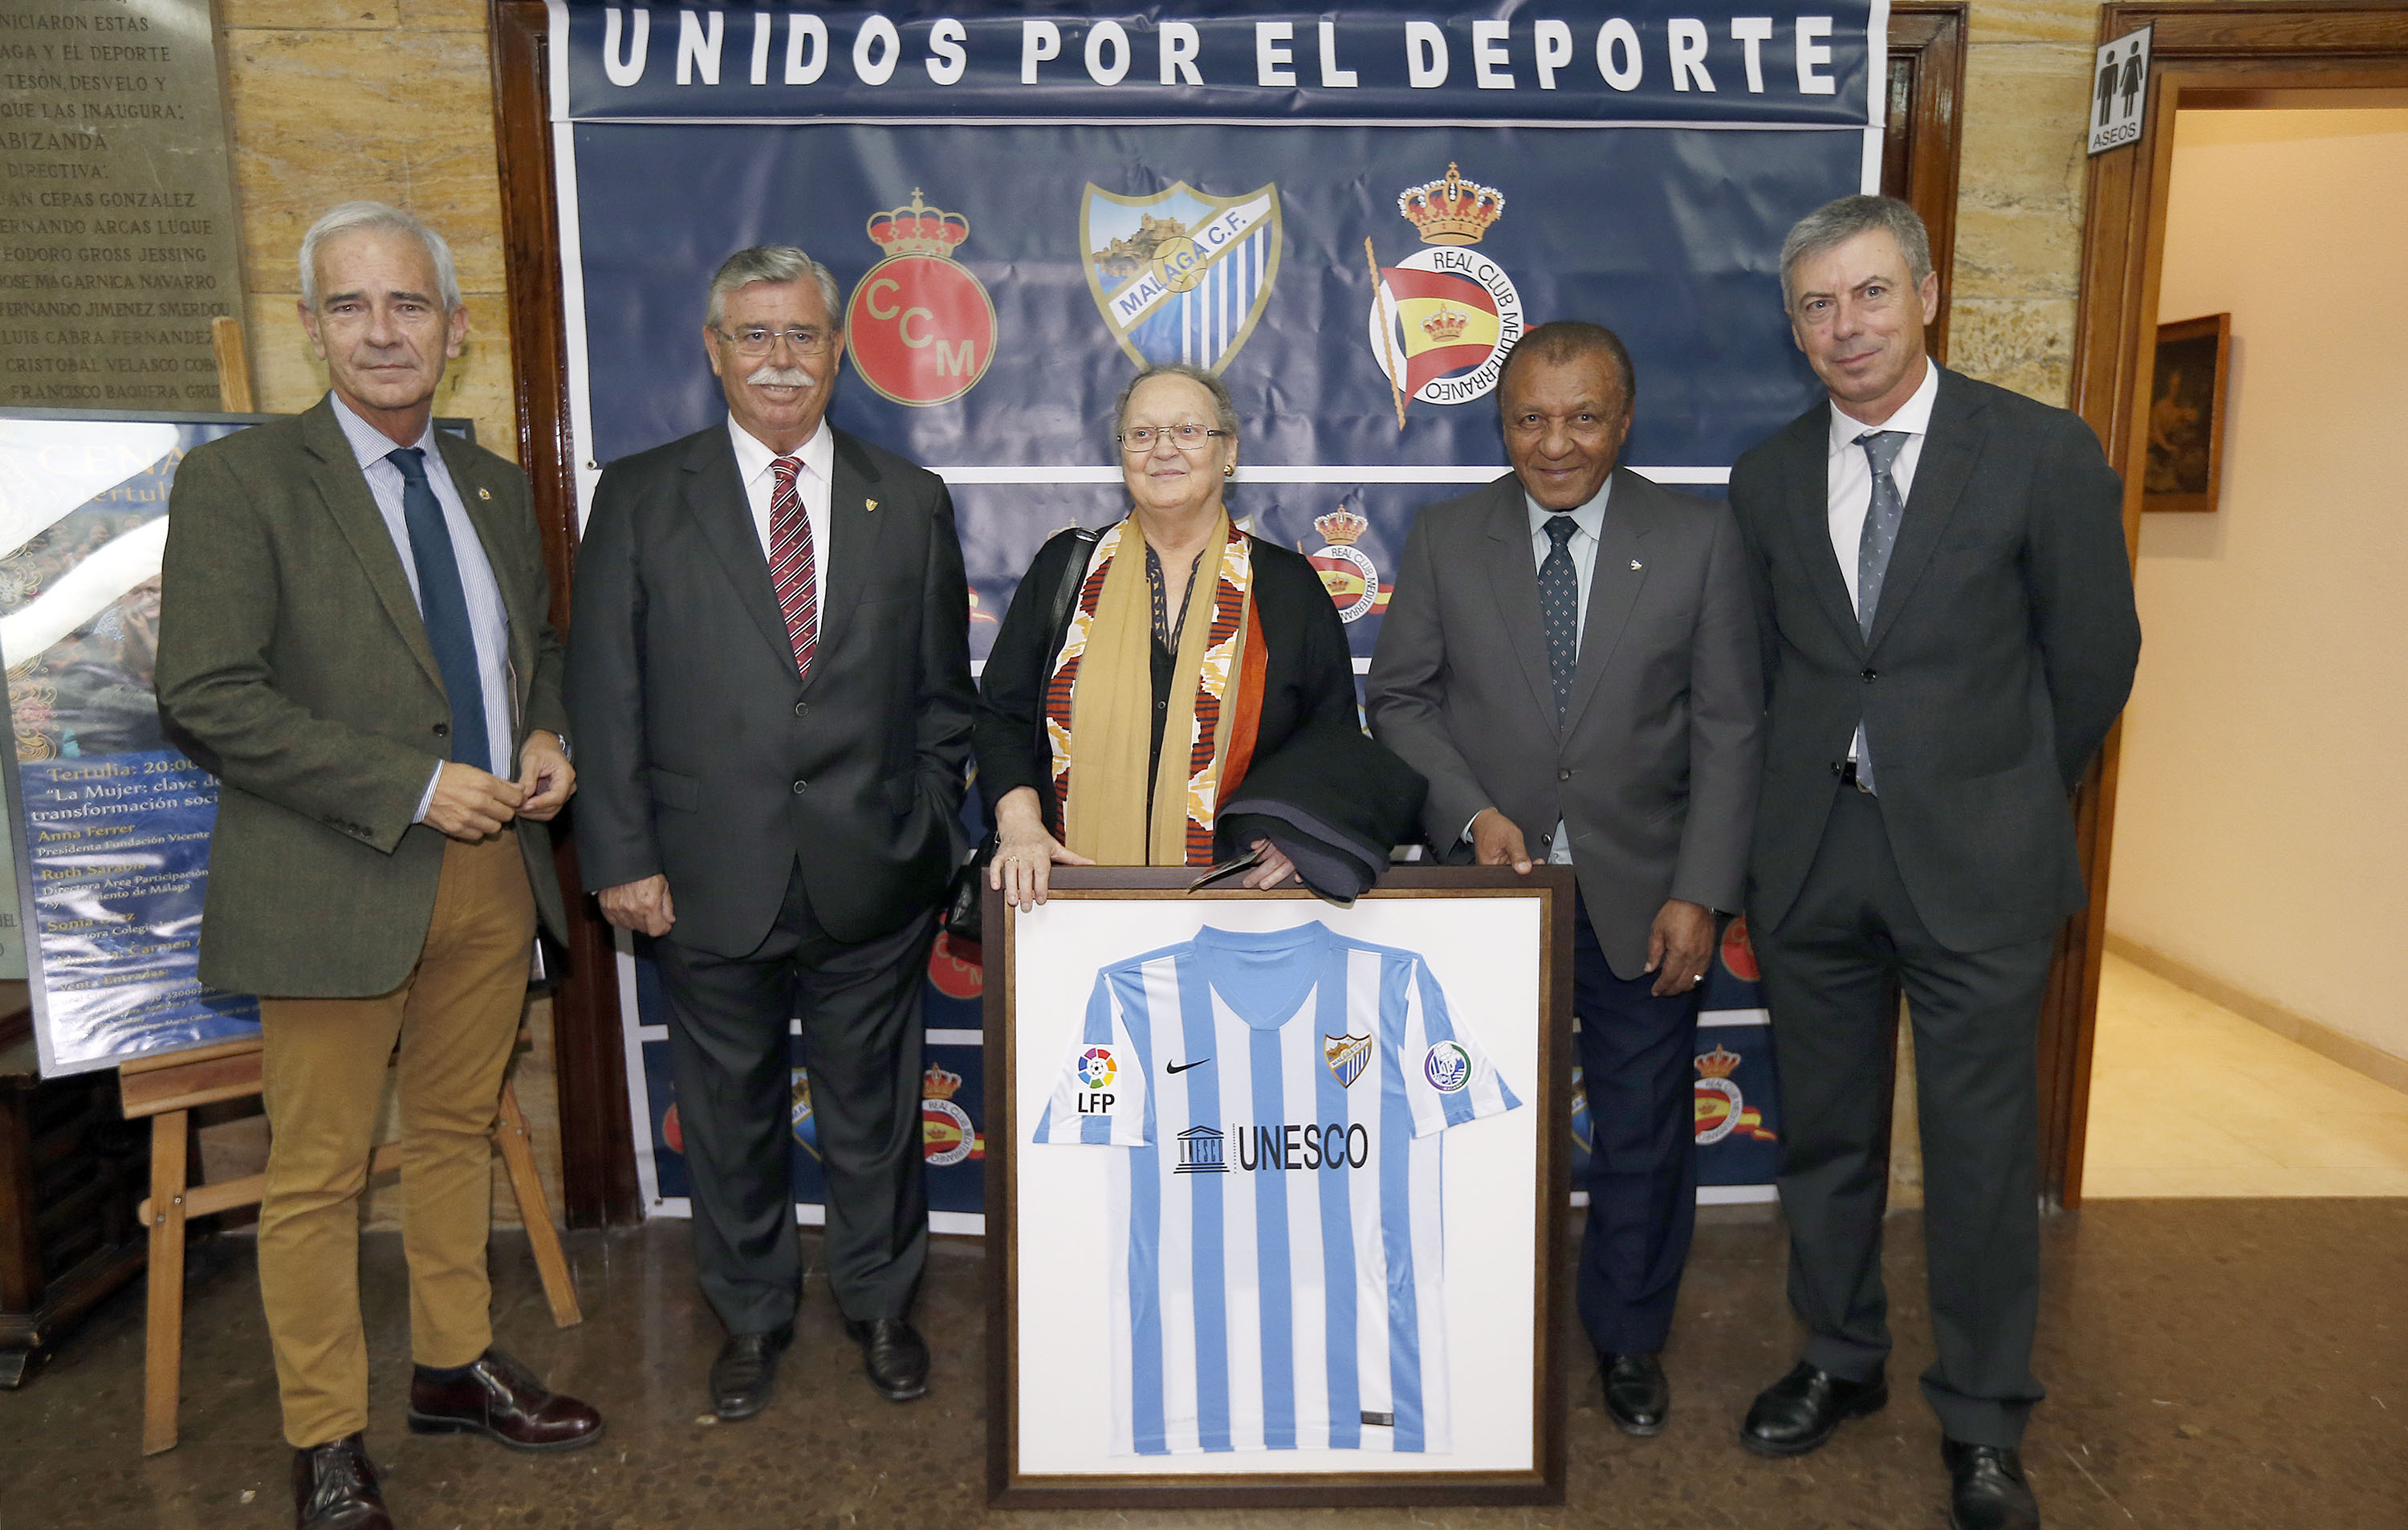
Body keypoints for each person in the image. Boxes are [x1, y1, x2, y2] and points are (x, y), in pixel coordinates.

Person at [156, 201, 600, 1530]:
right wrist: (405, 786)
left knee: (461, 1130)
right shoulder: (241, 484)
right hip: (335, 879)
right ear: (310, 328)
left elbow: (540, 649)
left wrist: (546, 732)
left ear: (456, 331)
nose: (382, 330)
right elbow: (208, 693)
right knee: (320, 1174)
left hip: (490, 873)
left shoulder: (486, 485)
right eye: (350, 306)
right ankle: (325, 1436)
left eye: (408, 305)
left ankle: (453, 1368)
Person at [1727, 194, 2140, 1530]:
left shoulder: (2039, 454)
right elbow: (1773, 672)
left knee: (1975, 1154)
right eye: (1816, 306)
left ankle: (1982, 1417)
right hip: (1816, 861)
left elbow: (2091, 662)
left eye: (1868, 295)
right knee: (1832, 1140)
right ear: (1794, 329)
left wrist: (2007, 793)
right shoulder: (1770, 474)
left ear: (1927, 294)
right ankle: (1838, 1359)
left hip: (1979, 865)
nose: (1845, 328)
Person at [566, 244, 974, 1421]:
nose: (781, 360)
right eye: (755, 336)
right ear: (714, 351)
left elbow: (944, 693)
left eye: (803, 335)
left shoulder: (912, 498)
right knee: (730, 1114)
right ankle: (750, 1316)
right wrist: (624, 857)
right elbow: (606, 692)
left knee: (875, 1112)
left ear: (839, 351)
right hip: (700, 879)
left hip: (872, 872)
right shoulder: (642, 496)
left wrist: (928, 824)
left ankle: (882, 1304)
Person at [1364, 320, 1762, 1438]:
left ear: (1624, 420)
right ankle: (1470, 1325)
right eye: (1531, 417)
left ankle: (1629, 1338)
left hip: (1644, 896)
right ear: (1503, 420)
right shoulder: (1447, 536)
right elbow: (1398, 700)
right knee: (1471, 1127)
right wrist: (1473, 811)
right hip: (1487, 899)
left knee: (1643, 1130)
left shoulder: (1697, 542)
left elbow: (1731, 728)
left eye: (1583, 416)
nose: (1556, 443)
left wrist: (1703, 888)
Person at [972, 363, 1361, 905]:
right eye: (1142, 434)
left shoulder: (1288, 587)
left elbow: (1335, 741)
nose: (1163, 450)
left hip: (1237, 902)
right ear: (1123, 453)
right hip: (1065, 896)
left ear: (1230, 453)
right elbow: (1002, 716)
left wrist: (1300, 839)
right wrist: (1018, 823)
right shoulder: (1066, 568)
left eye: (1188, 430)